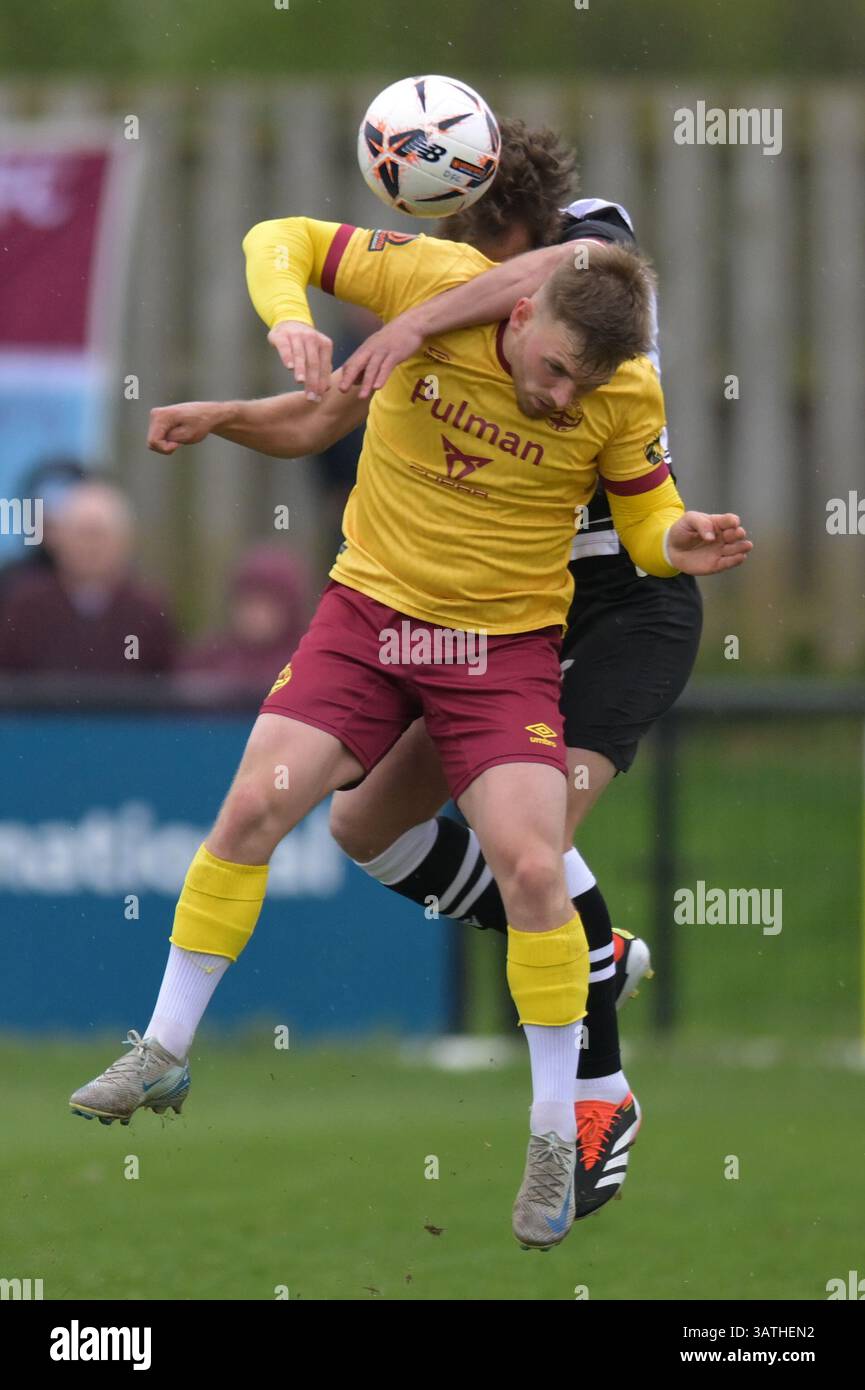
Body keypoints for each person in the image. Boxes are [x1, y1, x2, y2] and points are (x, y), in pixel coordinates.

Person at [71, 213, 750, 1254]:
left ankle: (549, 1136)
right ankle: (163, 1046)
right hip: (369, 618)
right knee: (256, 805)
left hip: (502, 649)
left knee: (532, 866)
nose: (563, 397)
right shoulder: (426, 284)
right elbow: (272, 237)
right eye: (557, 370)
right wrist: (286, 332)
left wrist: (677, 538)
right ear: (518, 312)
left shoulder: (621, 388)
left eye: (584, 384)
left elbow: (648, 512)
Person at [264, 121, 704, 1220]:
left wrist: (413, 307)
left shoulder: (596, 254)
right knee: (364, 829)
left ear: (516, 230)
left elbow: (543, 267)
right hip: (519, 614)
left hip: (628, 606)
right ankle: (597, 948)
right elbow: (337, 396)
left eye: (477, 247)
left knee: (538, 840)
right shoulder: (495, 316)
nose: (468, 274)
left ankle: (600, 1095)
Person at [0, 479, 176, 676]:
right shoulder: (26, 608)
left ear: (124, 542)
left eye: (99, 534)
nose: (90, 546)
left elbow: (164, 687)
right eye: (81, 534)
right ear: (57, 539)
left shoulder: (147, 612)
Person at [179, 544, 310, 691]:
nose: (255, 613)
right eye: (248, 602)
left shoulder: (310, 661)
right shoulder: (207, 659)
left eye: (267, 604)